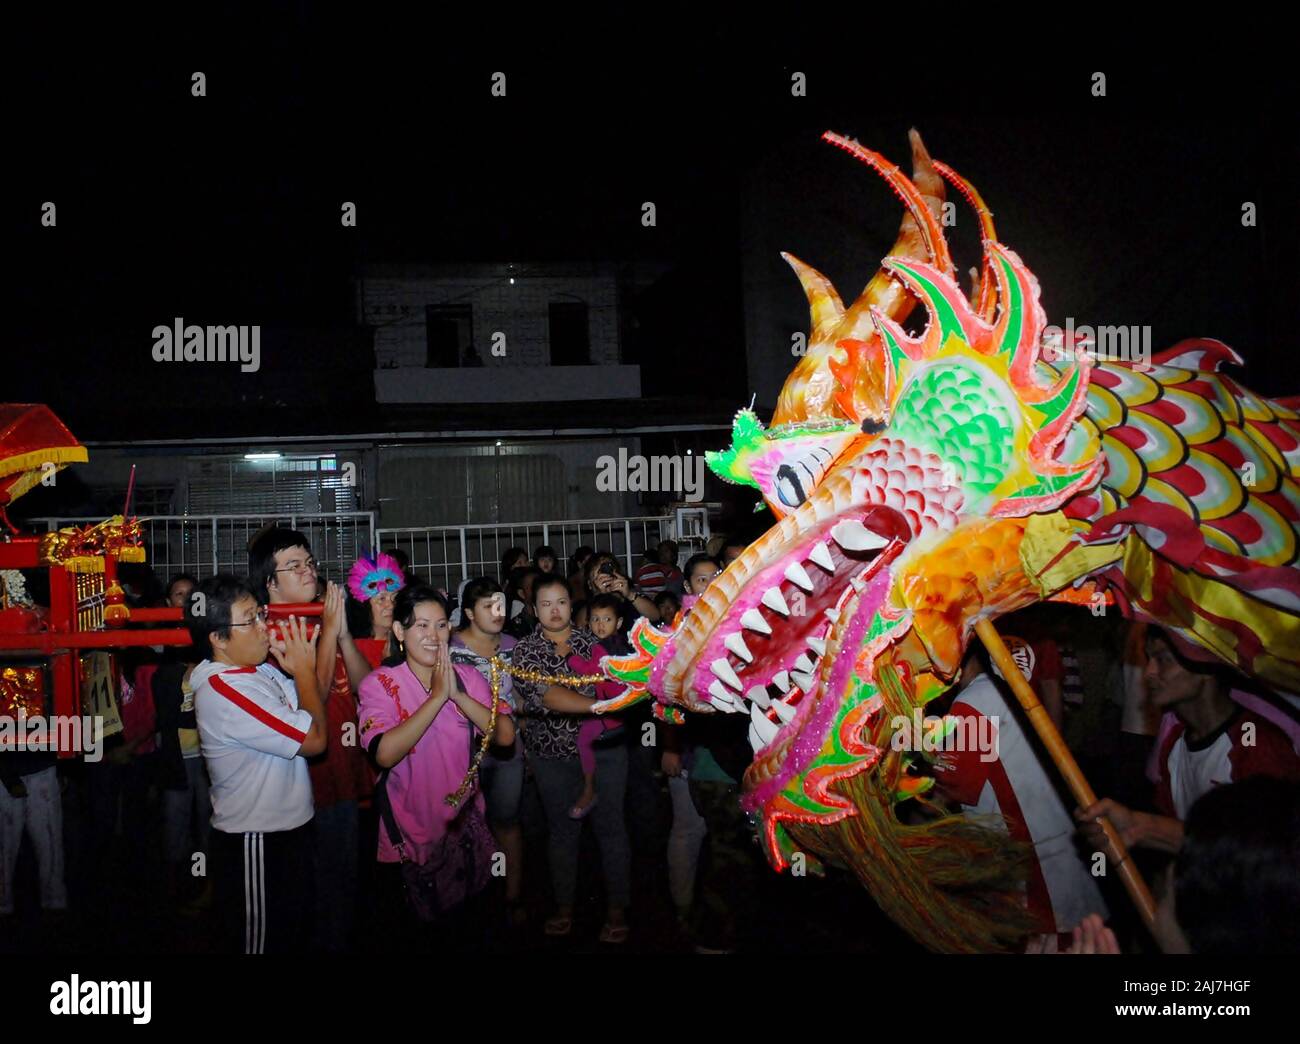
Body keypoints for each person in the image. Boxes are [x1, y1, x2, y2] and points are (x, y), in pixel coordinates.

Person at [357, 585, 513, 944]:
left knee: (474, 930)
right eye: (421, 626)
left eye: (441, 626)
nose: (433, 636)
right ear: (399, 632)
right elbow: (384, 753)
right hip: (409, 840)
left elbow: (504, 736)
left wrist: (456, 693)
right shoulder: (379, 684)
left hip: (464, 834)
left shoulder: (469, 677)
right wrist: (436, 698)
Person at [187, 575, 327, 953]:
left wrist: (309, 663)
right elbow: (315, 739)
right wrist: (302, 671)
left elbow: (316, 706)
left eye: (260, 614)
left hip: (287, 832)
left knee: (293, 933)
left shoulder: (257, 671)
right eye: (250, 620)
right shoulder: (225, 690)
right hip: (258, 841)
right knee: (260, 942)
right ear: (218, 638)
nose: (265, 626)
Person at [932, 641, 1109, 941]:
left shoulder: (973, 704)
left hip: (1038, 885)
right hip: (1057, 866)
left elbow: (943, 795)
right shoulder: (999, 689)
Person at [250, 528, 374, 952]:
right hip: (304, 783)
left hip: (344, 770)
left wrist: (339, 635)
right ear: (270, 583)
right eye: (294, 565)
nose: (308, 571)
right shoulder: (266, 635)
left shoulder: (323, 616)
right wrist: (327, 629)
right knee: (310, 895)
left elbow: (364, 688)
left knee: (344, 888)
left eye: (310, 562)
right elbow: (310, 706)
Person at [1076, 627, 1300, 854]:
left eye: (1163, 660)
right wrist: (1138, 830)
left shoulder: (1256, 746)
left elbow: (1266, 852)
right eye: (1149, 659)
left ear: (1206, 668)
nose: (1149, 672)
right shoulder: (1174, 743)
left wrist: (1144, 828)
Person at [512, 574, 631, 943]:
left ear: (571, 603)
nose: (554, 610)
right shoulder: (525, 651)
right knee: (563, 833)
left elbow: (620, 683)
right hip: (552, 756)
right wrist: (600, 706)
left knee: (611, 830)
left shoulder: (594, 642)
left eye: (561, 601)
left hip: (605, 749)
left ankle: (616, 912)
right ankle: (564, 908)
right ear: (534, 610)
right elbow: (546, 696)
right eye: (545, 604)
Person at [449, 577, 525, 925]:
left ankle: (511, 896)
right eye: (487, 607)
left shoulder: (514, 646)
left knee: (507, 820)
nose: (498, 613)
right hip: (462, 750)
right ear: (468, 612)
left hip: (509, 748)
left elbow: (523, 698)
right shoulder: (448, 648)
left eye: (500, 605)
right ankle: (468, 897)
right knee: (463, 825)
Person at [153, 630, 213, 910]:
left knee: (208, 820)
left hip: (208, 759)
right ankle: (175, 885)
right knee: (175, 823)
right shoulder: (164, 674)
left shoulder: (210, 668)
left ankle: (206, 880)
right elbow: (167, 717)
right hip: (178, 758)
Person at [571, 593, 630, 819]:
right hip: (620, 709)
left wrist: (570, 659)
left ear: (619, 622)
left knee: (583, 740)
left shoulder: (601, 648)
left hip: (608, 712)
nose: (600, 624)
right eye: (595, 619)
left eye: (606, 619)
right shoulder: (622, 643)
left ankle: (588, 785)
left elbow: (591, 671)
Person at [345, 551, 404, 669]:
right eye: (382, 599)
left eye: (394, 598)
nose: (391, 605)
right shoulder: (354, 649)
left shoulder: (407, 639)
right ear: (364, 607)